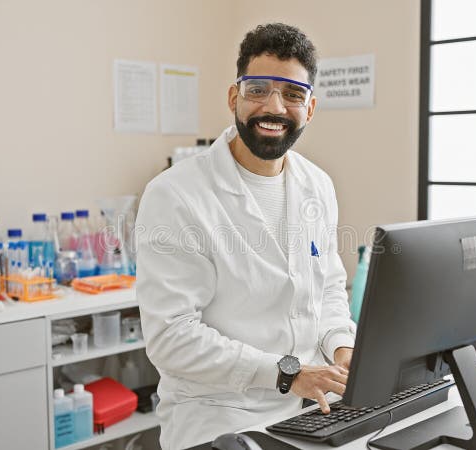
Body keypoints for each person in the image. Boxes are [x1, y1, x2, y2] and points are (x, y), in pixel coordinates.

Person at [136, 23, 356, 449]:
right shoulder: (176, 195)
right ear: (234, 97)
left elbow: (328, 289)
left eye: (292, 94)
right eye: (258, 90)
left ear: (309, 108)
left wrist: (343, 349)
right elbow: (171, 337)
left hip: (308, 410)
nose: (274, 107)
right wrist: (288, 373)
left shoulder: (318, 185)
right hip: (215, 419)